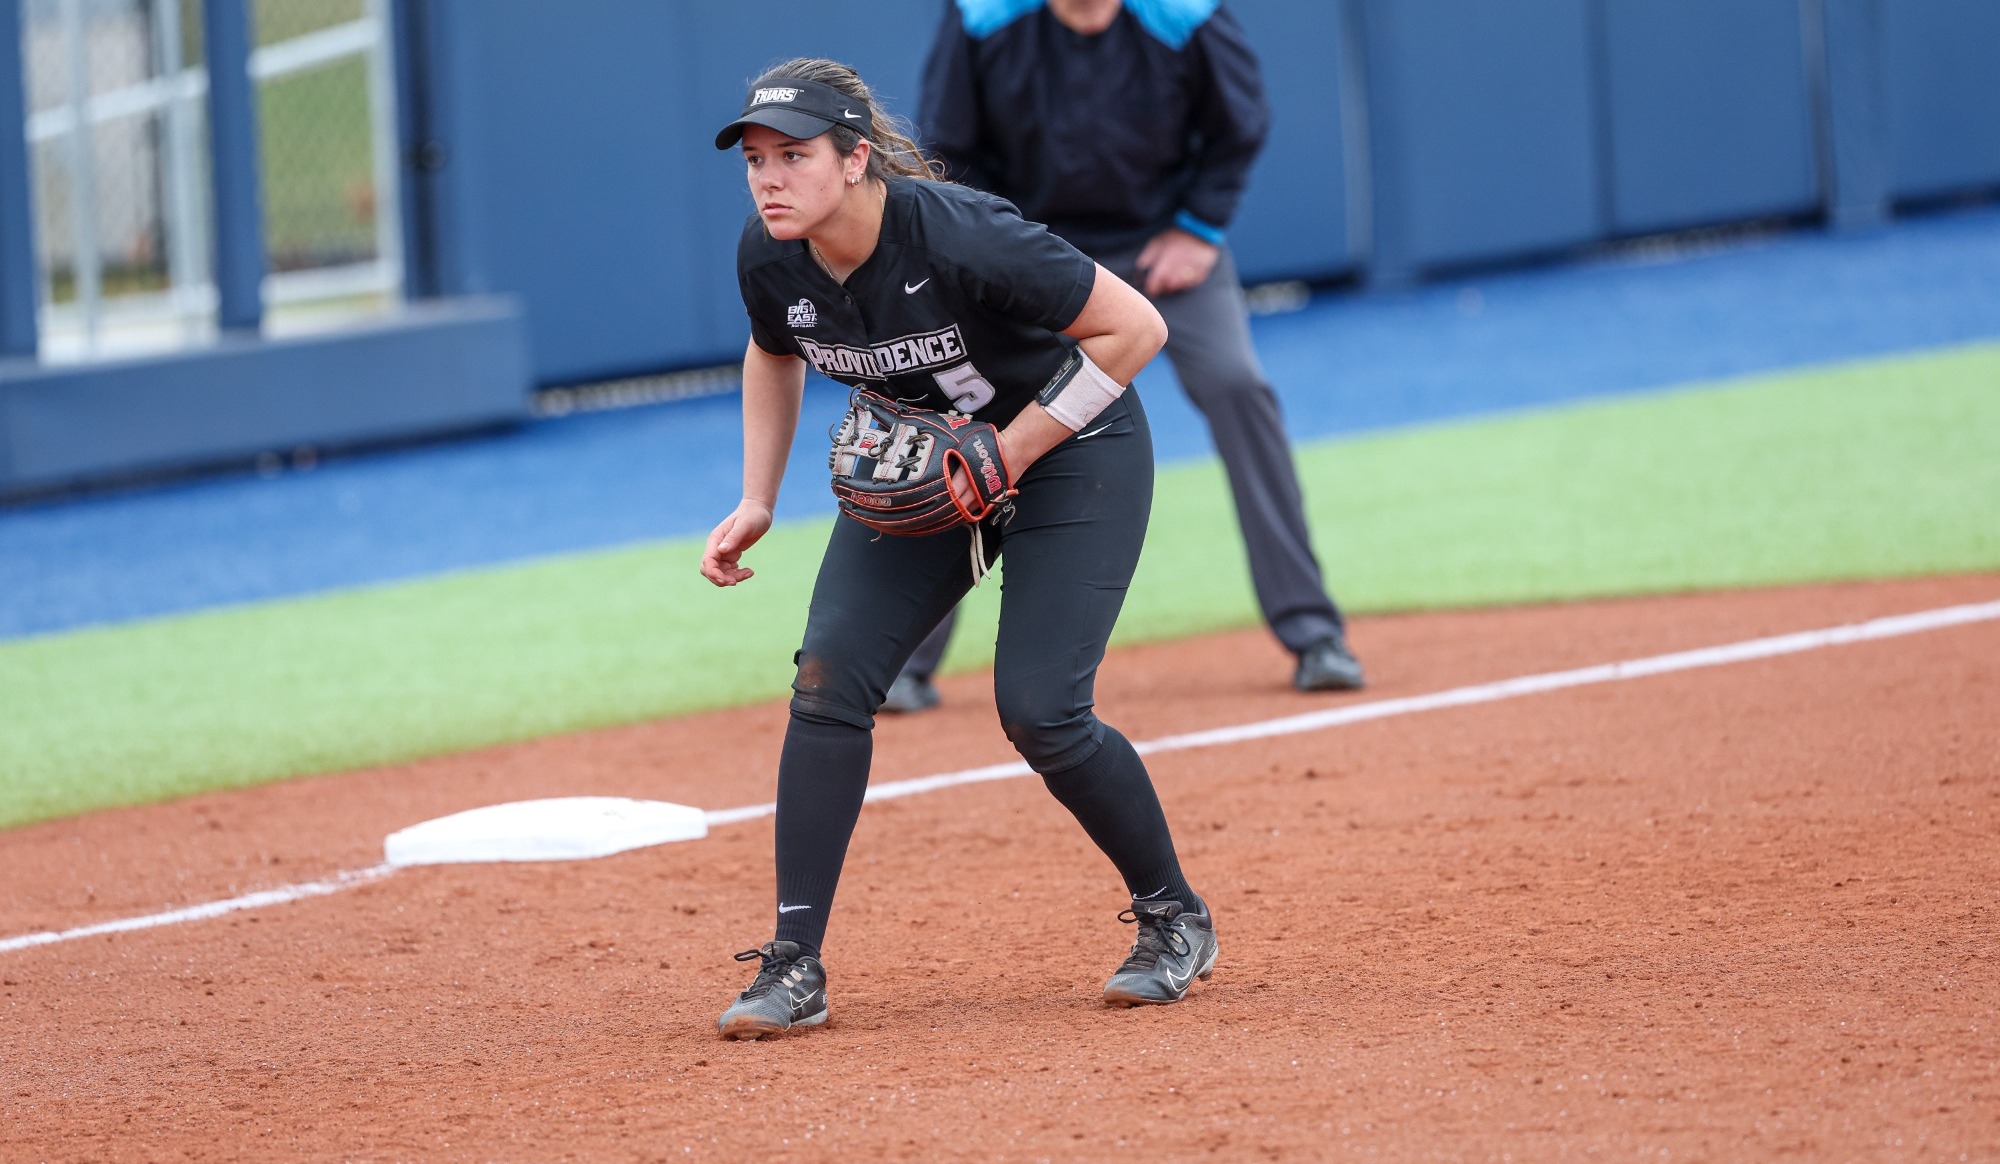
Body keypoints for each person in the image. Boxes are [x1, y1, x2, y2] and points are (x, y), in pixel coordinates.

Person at [702, 58, 1216, 1039]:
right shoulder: (771, 256)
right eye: (756, 160)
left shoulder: (955, 232)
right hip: (927, 466)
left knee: (1040, 711)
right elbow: (772, 351)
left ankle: (1171, 916)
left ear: (855, 159)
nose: (770, 179)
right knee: (828, 678)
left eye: (794, 156)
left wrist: (1011, 450)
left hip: (1073, 449)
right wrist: (755, 496)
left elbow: (1133, 327)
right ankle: (793, 964)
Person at [881, 0, 1364, 714]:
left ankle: (1315, 633)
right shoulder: (984, 16)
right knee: (967, 420)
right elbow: (947, 151)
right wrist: (997, 255)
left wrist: (1199, 229)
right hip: (1031, 254)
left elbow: (1241, 122)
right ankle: (907, 660)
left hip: (1160, 251)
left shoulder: (1185, 12)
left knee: (1238, 386)